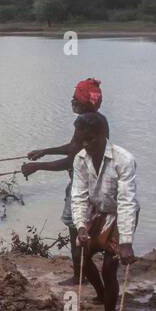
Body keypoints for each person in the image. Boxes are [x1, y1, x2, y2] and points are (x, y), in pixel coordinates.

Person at [20, 78, 104, 292]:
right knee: (82, 232)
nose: (72, 101)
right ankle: (85, 275)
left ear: (85, 102)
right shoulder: (97, 120)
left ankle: (79, 278)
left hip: (81, 188)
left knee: (76, 235)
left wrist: (37, 167)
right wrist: (44, 151)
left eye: (75, 97)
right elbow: (73, 147)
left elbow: (70, 161)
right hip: (95, 185)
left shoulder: (84, 121)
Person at [70, 111, 138, 311]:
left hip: (120, 213)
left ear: (103, 135)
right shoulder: (80, 159)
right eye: (82, 140)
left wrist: (126, 241)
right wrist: (81, 226)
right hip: (96, 211)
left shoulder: (123, 159)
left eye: (91, 139)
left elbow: (127, 202)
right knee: (81, 255)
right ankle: (101, 294)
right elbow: (78, 196)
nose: (86, 144)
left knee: (109, 268)